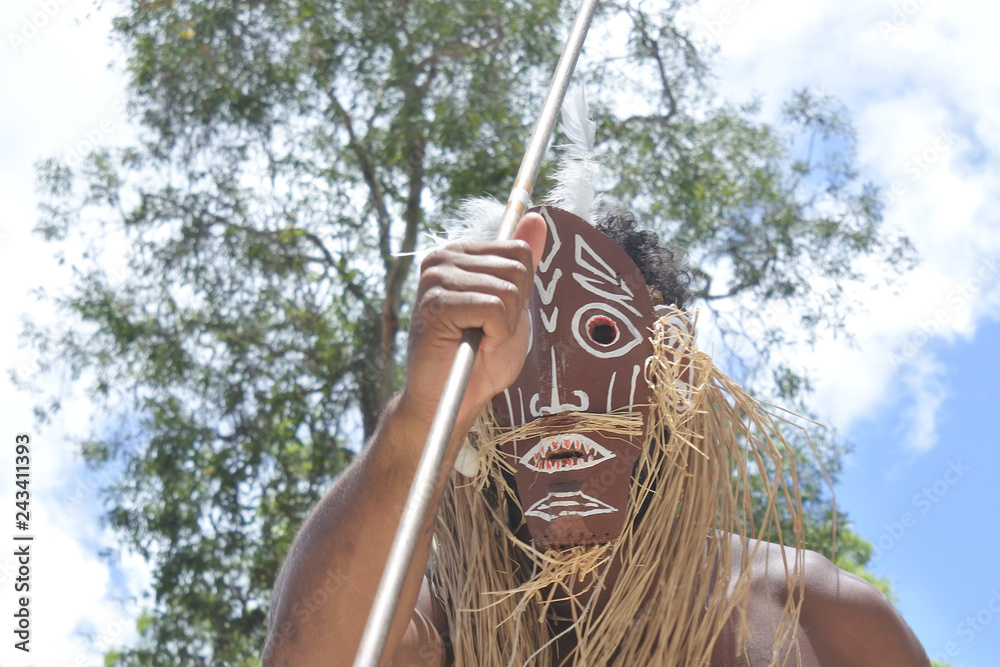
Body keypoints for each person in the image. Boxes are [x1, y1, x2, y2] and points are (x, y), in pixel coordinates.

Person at [263, 205, 931, 666]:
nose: (561, 403)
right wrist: (425, 411)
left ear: (671, 380)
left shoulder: (814, 614)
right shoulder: (441, 615)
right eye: (525, 360)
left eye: (601, 341)